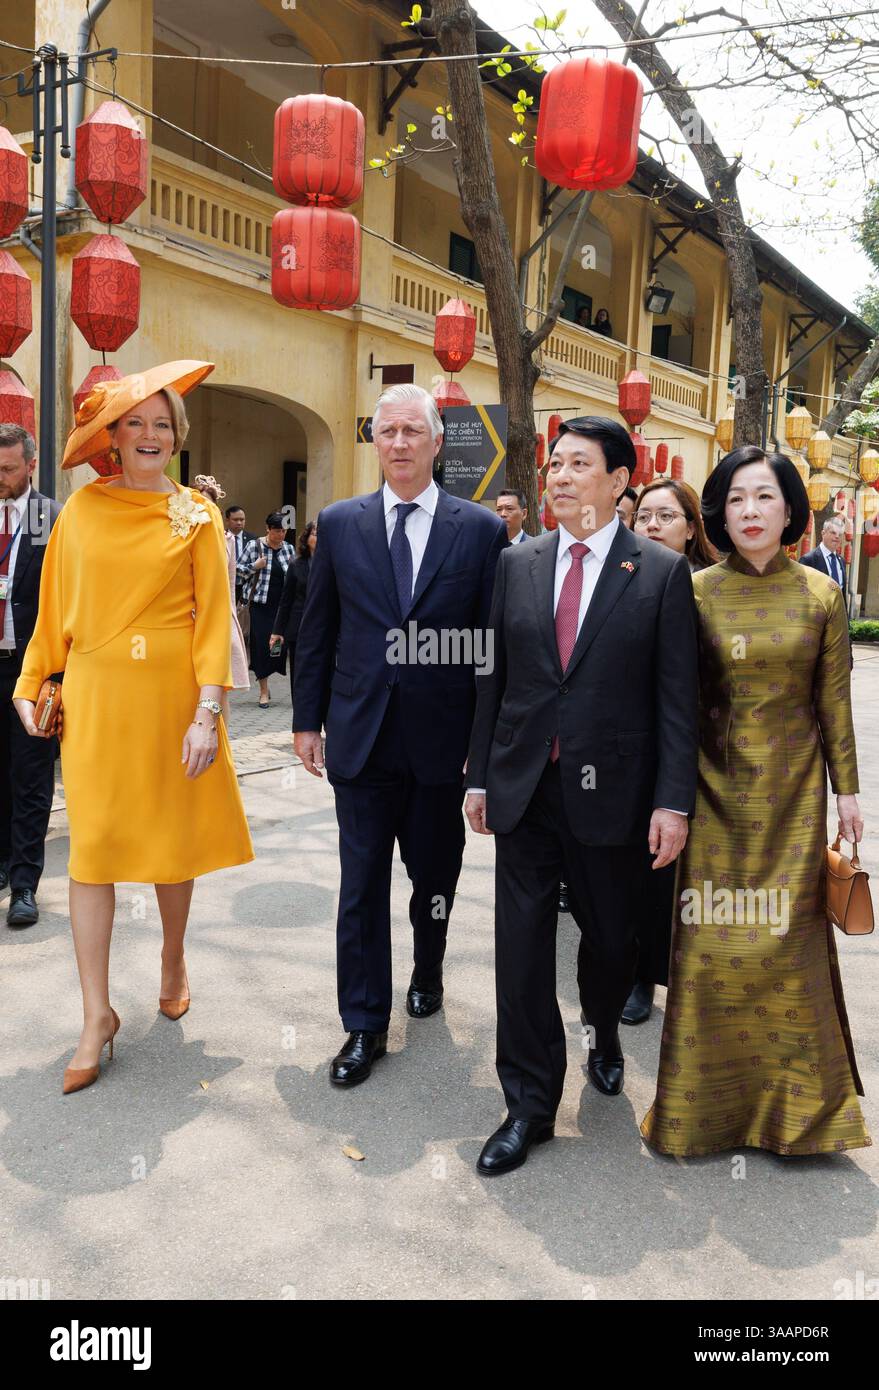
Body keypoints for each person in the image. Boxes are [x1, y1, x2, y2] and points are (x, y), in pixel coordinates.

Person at [12, 361, 254, 1095]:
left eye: (162, 423)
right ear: (112, 437)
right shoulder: (79, 513)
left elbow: (215, 620)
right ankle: (96, 1016)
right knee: (93, 854)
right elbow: (52, 614)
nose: (149, 434)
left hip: (174, 700)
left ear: (176, 437)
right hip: (96, 703)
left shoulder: (198, 515)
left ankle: (173, 958)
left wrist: (207, 713)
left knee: (169, 847)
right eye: (134, 423)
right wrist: (30, 684)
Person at [465, 416, 698, 1176]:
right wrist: (477, 775)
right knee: (521, 949)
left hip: (614, 795)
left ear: (618, 481)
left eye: (577, 465)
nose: (558, 476)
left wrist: (672, 802)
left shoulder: (657, 574)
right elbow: (491, 681)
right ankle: (529, 1103)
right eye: (553, 462)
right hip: (525, 788)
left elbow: (675, 700)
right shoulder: (518, 564)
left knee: (607, 941)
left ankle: (602, 1028)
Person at [641, 446, 870, 1157]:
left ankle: (799, 1119)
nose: (749, 511)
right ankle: (699, 1114)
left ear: (789, 510)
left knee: (788, 954)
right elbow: (674, 705)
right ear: (718, 509)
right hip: (709, 799)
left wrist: (849, 795)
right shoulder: (694, 590)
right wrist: (665, 798)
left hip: (792, 803)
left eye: (764, 498)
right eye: (735, 498)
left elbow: (831, 704)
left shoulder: (821, 595)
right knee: (709, 949)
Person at [294, 383, 507, 1087]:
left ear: (437, 441)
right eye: (387, 432)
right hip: (359, 736)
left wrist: (482, 747)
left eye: (413, 431)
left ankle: (428, 967)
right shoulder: (341, 522)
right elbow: (317, 629)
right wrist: (304, 720)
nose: (400, 444)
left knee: (432, 877)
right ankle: (362, 1025)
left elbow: (487, 649)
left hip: (440, 745)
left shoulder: (477, 530)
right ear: (374, 441)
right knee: (360, 886)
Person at [621, 479, 717, 1024]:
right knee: (648, 870)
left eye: (667, 516)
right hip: (640, 750)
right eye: (645, 517)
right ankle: (640, 974)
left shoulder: (712, 588)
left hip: (708, 751)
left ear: (691, 527)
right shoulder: (623, 578)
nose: (653, 525)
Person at [0, 425, 63, 927]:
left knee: (31, 779)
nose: (0, 479)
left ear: (30, 466)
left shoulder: (51, 519)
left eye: (8, 470)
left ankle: (25, 883)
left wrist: (59, 679)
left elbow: (65, 602)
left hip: (32, 671)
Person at [194, 475, 250, 709]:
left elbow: (229, 582)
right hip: (188, 616)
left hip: (218, 615)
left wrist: (230, 621)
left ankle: (221, 742)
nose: (204, 507)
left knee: (218, 689)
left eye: (209, 503)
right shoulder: (183, 533)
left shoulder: (227, 541)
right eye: (199, 501)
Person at [238, 512, 294, 708]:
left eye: (284, 531)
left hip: (282, 608)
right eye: (277, 531)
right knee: (262, 647)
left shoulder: (289, 549)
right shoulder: (255, 546)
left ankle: (269, 679)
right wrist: (255, 566)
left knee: (278, 648)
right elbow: (236, 570)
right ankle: (263, 692)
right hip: (260, 606)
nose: (281, 535)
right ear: (268, 529)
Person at [271, 519, 316, 708]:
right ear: (306, 538)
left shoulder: (333, 564)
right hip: (299, 629)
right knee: (299, 675)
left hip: (325, 629)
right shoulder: (296, 564)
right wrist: (277, 631)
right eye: (315, 533)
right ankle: (301, 715)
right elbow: (286, 600)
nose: (319, 537)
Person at [225, 503, 256, 649]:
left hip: (246, 586)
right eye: (235, 519)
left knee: (244, 622)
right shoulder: (220, 536)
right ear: (227, 520)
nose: (239, 522)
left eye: (242, 519)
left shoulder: (252, 540)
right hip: (226, 585)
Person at [801, 517, 847, 593]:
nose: (837, 537)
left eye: (840, 534)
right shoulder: (808, 560)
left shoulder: (842, 561)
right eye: (833, 532)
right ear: (823, 533)